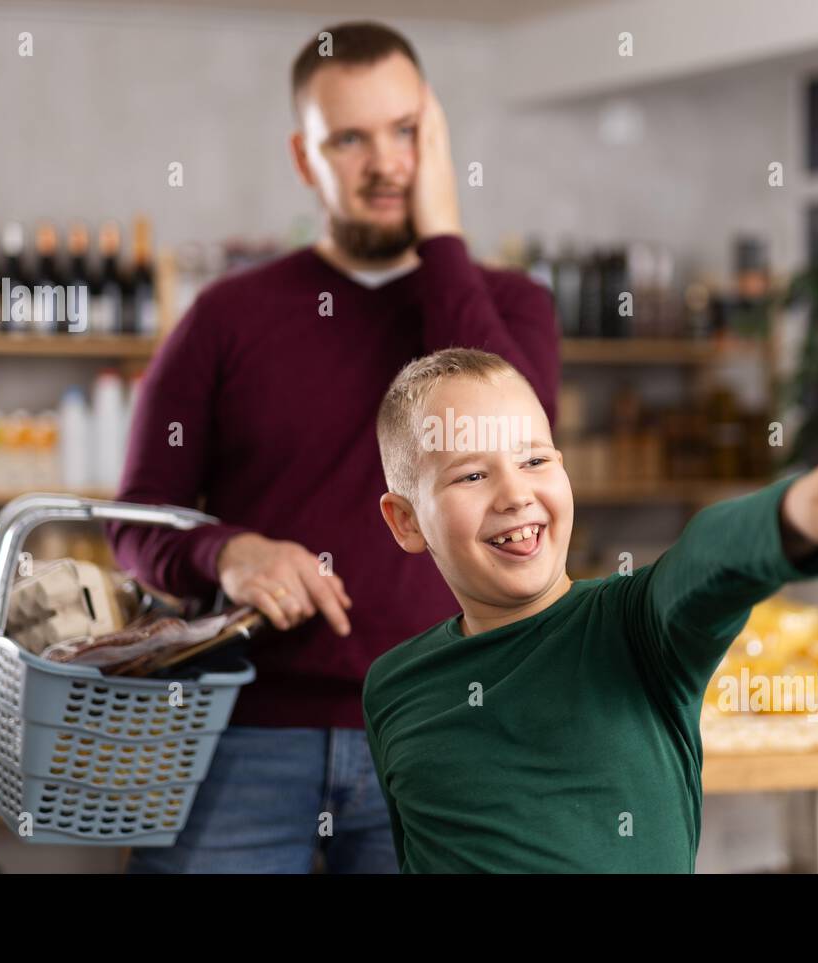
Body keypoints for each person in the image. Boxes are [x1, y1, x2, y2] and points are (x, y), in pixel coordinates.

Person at [108, 23, 559, 874]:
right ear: (304, 157)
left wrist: (444, 241)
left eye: (405, 132)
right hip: (242, 734)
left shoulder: (509, 307)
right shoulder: (226, 317)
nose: (385, 163)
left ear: (437, 137)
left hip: (448, 730)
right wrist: (226, 551)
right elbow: (133, 522)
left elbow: (510, 461)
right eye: (349, 139)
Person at [364, 348, 818, 872]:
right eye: (472, 474)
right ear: (406, 520)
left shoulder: (633, 628)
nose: (515, 494)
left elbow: (704, 566)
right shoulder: (393, 687)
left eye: (534, 460)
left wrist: (792, 515)